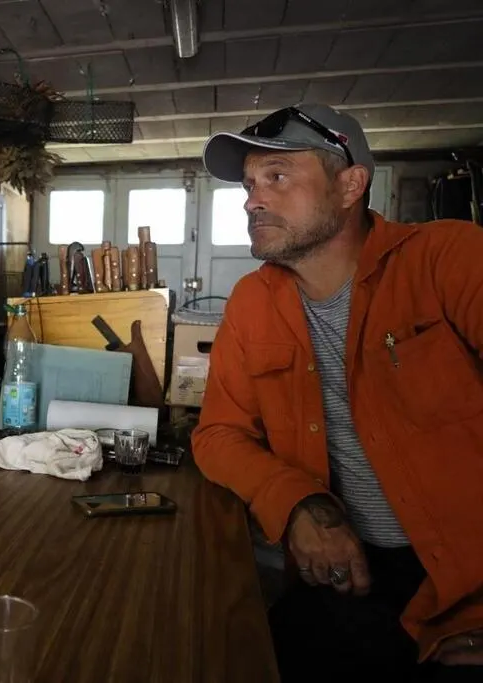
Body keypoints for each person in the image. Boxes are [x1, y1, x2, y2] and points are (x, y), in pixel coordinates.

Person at [192, 103, 483, 683]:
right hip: (344, 576)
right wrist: (297, 503)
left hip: (468, 587)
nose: (252, 199)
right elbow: (218, 434)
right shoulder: (252, 303)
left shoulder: (449, 258)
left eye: (277, 177)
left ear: (351, 184)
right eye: (249, 184)